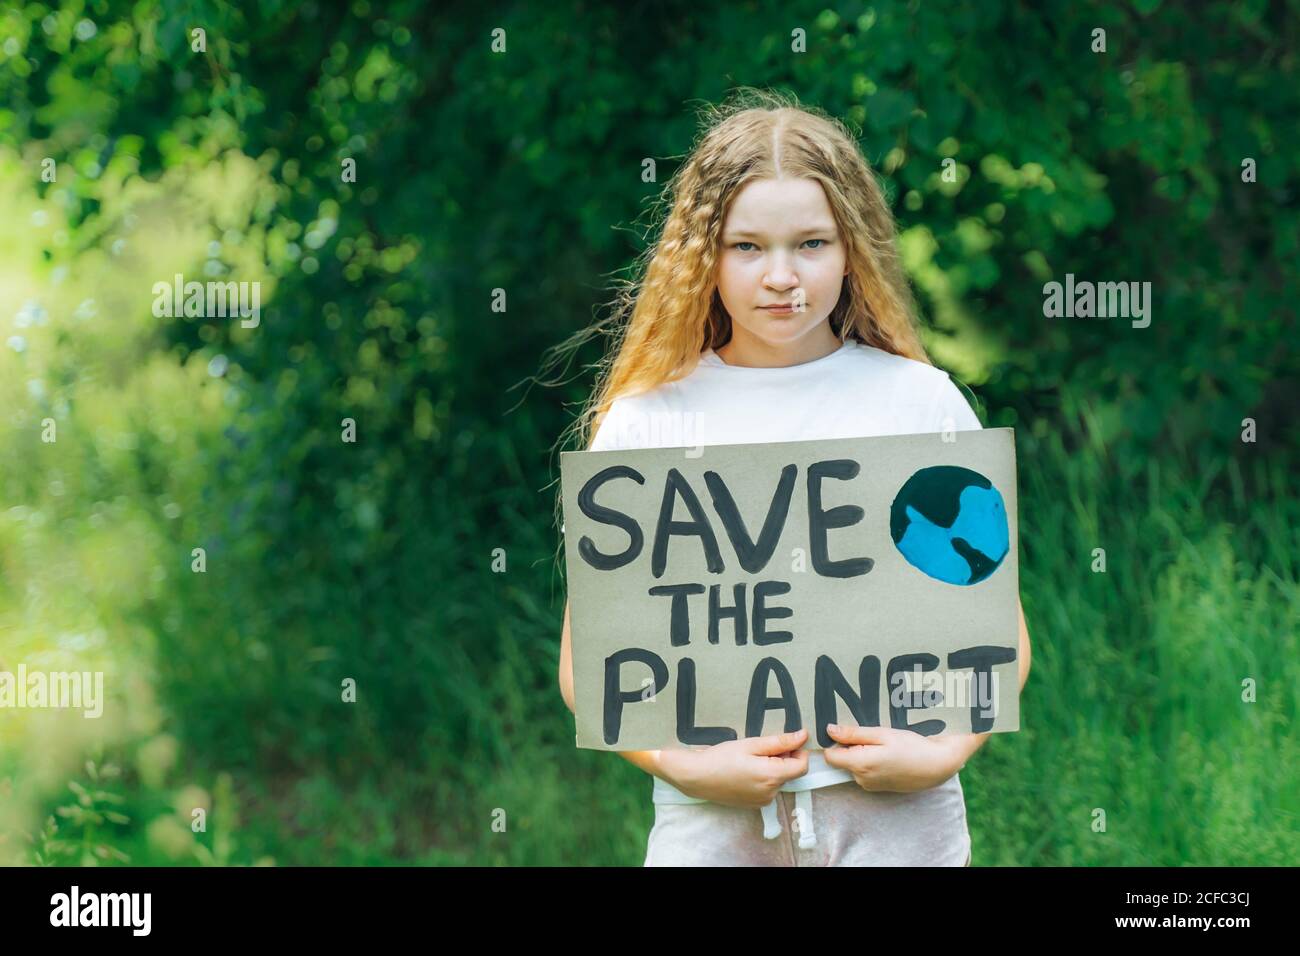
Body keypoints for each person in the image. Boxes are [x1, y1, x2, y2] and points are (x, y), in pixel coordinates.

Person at [554, 89, 1032, 866]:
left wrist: (945, 752)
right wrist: (685, 764)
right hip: (709, 824)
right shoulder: (650, 423)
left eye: (811, 243)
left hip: (899, 824)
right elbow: (591, 664)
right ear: (702, 255)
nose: (782, 275)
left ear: (852, 248)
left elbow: (996, 629)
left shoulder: (918, 402)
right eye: (747, 247)